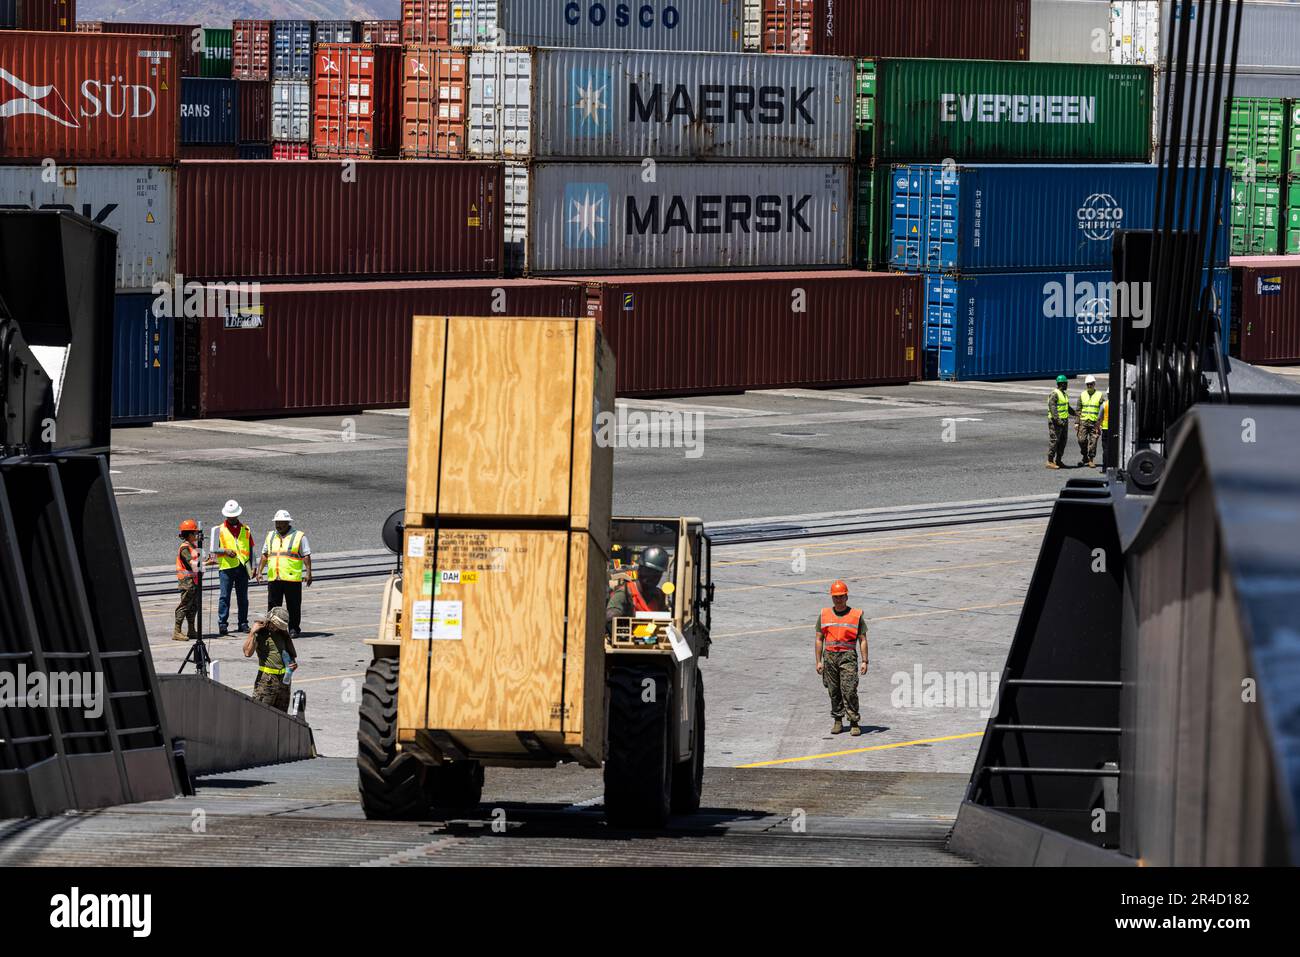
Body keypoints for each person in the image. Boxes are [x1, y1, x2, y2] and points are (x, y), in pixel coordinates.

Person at [815, 580, 868, 736]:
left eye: (841, 596)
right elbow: (819, 639)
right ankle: (838, 720)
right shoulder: (824, 615)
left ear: (846, 596)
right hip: (830, 656)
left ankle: (854, 721)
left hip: (848, 657)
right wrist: (818, 661)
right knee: (834, 690)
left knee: (849, 689)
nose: (838, 599)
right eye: (835, 596)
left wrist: (865, 661)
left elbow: (862, 639)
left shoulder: (855, 616)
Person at [257, 509, 312, 639]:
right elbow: (265, 555)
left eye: (281, 523)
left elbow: (306, 555)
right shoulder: (270, 536)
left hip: (291, 577)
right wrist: (259, 571)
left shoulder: (299, 536)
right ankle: (273, 629)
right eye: (277, 523)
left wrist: (309, 573)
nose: (278, 525)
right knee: (273, 605)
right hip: (274, 577)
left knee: (293, 605)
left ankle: (293, 629)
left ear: (288, 522)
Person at [242, 606, 298, 712]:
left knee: (281, 717)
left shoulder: (283, 633)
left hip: (284, 681)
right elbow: (247, 652)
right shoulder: (261, 632)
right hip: (267, 681)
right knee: (260, 714)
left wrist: (293, 665)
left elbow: (290, 655)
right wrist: (252, 632)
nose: (277, 628)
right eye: (276, 625)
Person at [213, 499, 255, 636]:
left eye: (234, 516)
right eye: (230, 516)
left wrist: (253, 567)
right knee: (224, 597)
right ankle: (223, 624)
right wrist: (224, 551)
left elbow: (251, 549)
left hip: (242, 567)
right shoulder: (219, 530)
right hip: (226, 567)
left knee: (243, 597)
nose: (232, 518)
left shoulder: (246, 529)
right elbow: (213, 549)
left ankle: (243, 623)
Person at [606, 545, 671, 622]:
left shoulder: (659, 596)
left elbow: (666, 620)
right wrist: (616, 613)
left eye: (657, 574)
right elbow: (609, 615)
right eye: (648, 571)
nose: (652, 577)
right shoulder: (625, 593)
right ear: (639, 570)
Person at [174, 519, 203, 641]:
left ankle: (191, 630)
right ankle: (177, 631)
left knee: (193, 606)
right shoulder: (185, 548)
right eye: (195, 533)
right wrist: (206, 562)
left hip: (194, 581)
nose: (197, 535)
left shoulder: (193, 546)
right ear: (189, 534)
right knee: (184, 605)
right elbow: (192, 563)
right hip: (187, 582)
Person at [1076, 374, 1104, 468]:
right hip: (1084, 421)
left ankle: (1091, 459)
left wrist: (1100, 424)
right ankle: (1084, 456)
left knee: (1094, 441)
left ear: (1094, 384)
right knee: (1081, 440)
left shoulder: (1099, 395)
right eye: (1087, 384)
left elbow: (1103, 410)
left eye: (1091, 384)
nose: (1089, 386)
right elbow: (1078, 409)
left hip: (1095, 422)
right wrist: (1077, 422)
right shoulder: (1082, 395)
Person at [1046, 374, 1073, 470]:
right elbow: (1053, 409)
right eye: (1066, 383)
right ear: (1061, 384)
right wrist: (1058, 420)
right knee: (1054, 441)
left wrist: (1076, 413)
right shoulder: (1054, 394)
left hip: (1064, 421)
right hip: (1055, 422)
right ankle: (1050, 461)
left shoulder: (1064, 394)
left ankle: (1058, 460)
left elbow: (1067, 407)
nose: (1067, 385)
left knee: (1063, 441)